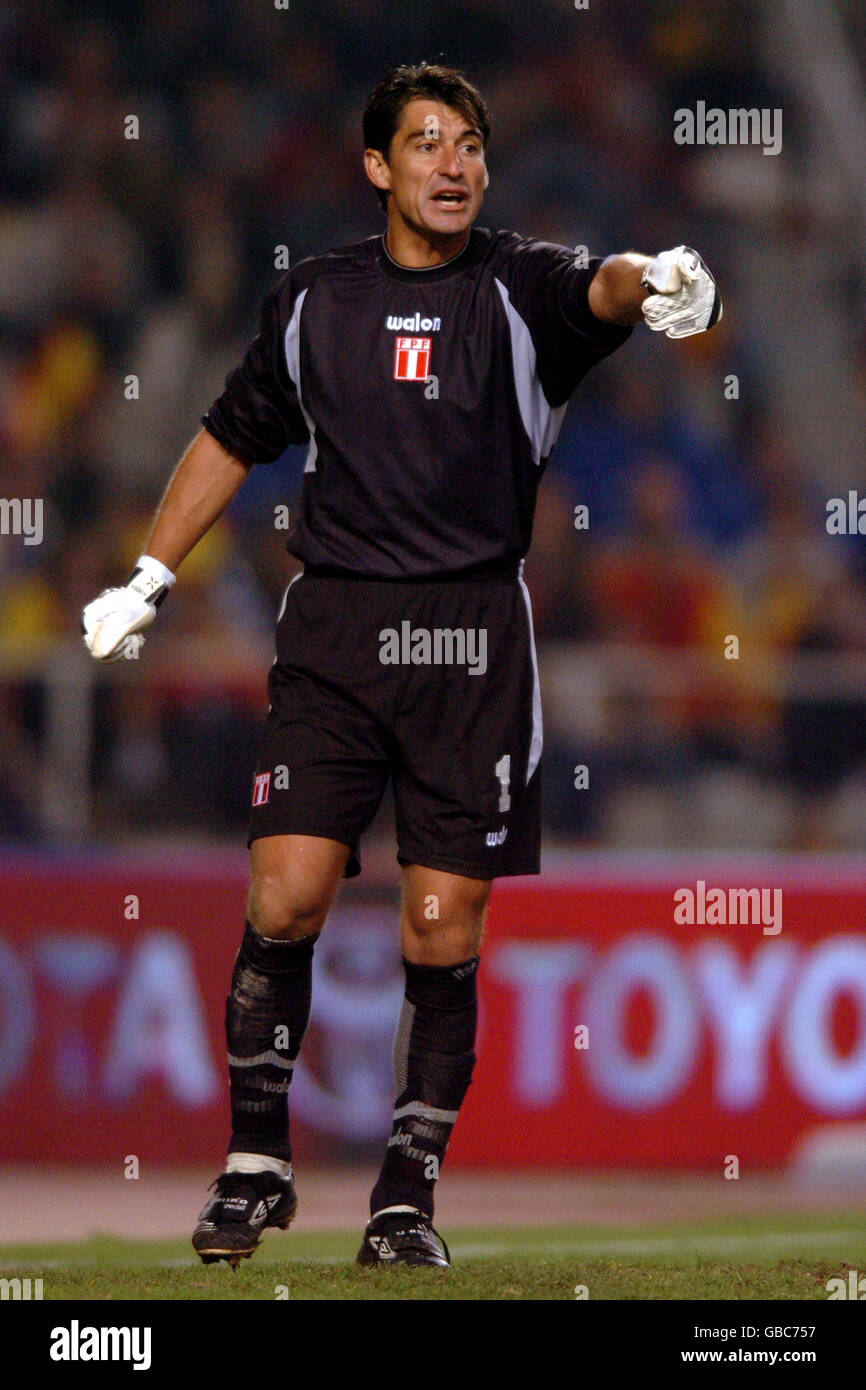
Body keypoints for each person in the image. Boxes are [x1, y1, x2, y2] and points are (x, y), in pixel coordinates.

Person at [81, 62, 721, 1270]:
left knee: (440, 927)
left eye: (469, 144)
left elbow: (604, 285)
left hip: (472, 643)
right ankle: (255, 1163)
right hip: (332, 634)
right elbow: (229, 433)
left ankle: (401, 1195)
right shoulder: (314, 301)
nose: (453, 163)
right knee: (284, 896)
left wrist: (659, 279)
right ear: (377, 167)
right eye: (426, 143)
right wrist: (149, 575)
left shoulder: (522, 288)